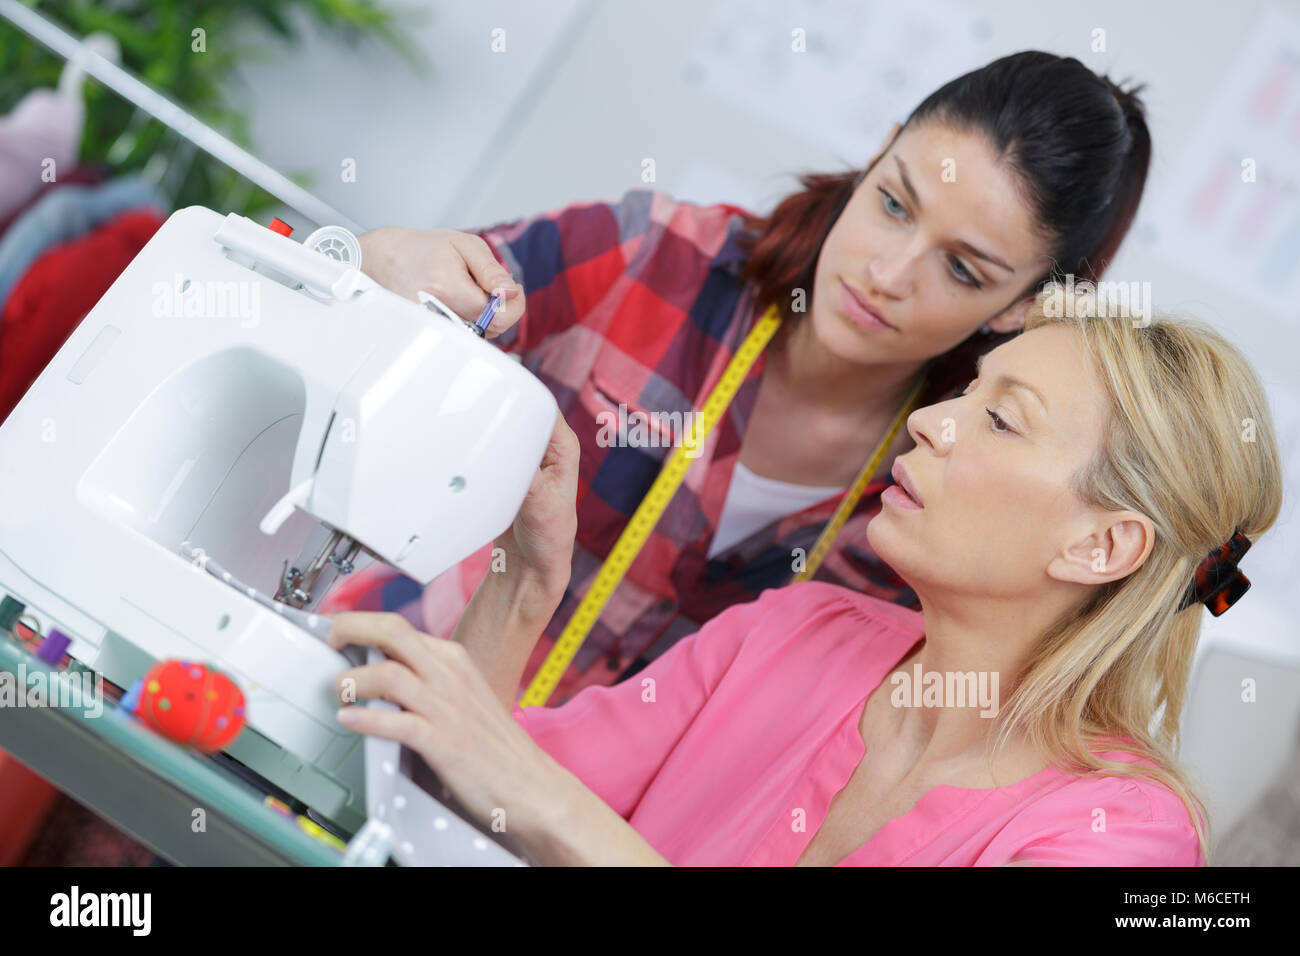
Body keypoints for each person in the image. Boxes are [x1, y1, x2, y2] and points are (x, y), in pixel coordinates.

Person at [327, 296, 1282, 866]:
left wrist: (554, 813)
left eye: (1001, 421)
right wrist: (526, 585)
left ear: (1102, 548)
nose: (932, 422)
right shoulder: (793, 633)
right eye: (969, 391)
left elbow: (541, 804)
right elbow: (472, 800)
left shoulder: (1121, 838)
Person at [330, 50, 1154, 705]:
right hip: (372, 683)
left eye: (964, 271)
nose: (887, 273)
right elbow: (395, 316)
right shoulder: (655, 254)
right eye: (895, 204)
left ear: (1022, 307)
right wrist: (377, 264)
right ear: (878, 152)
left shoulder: (958, 484)